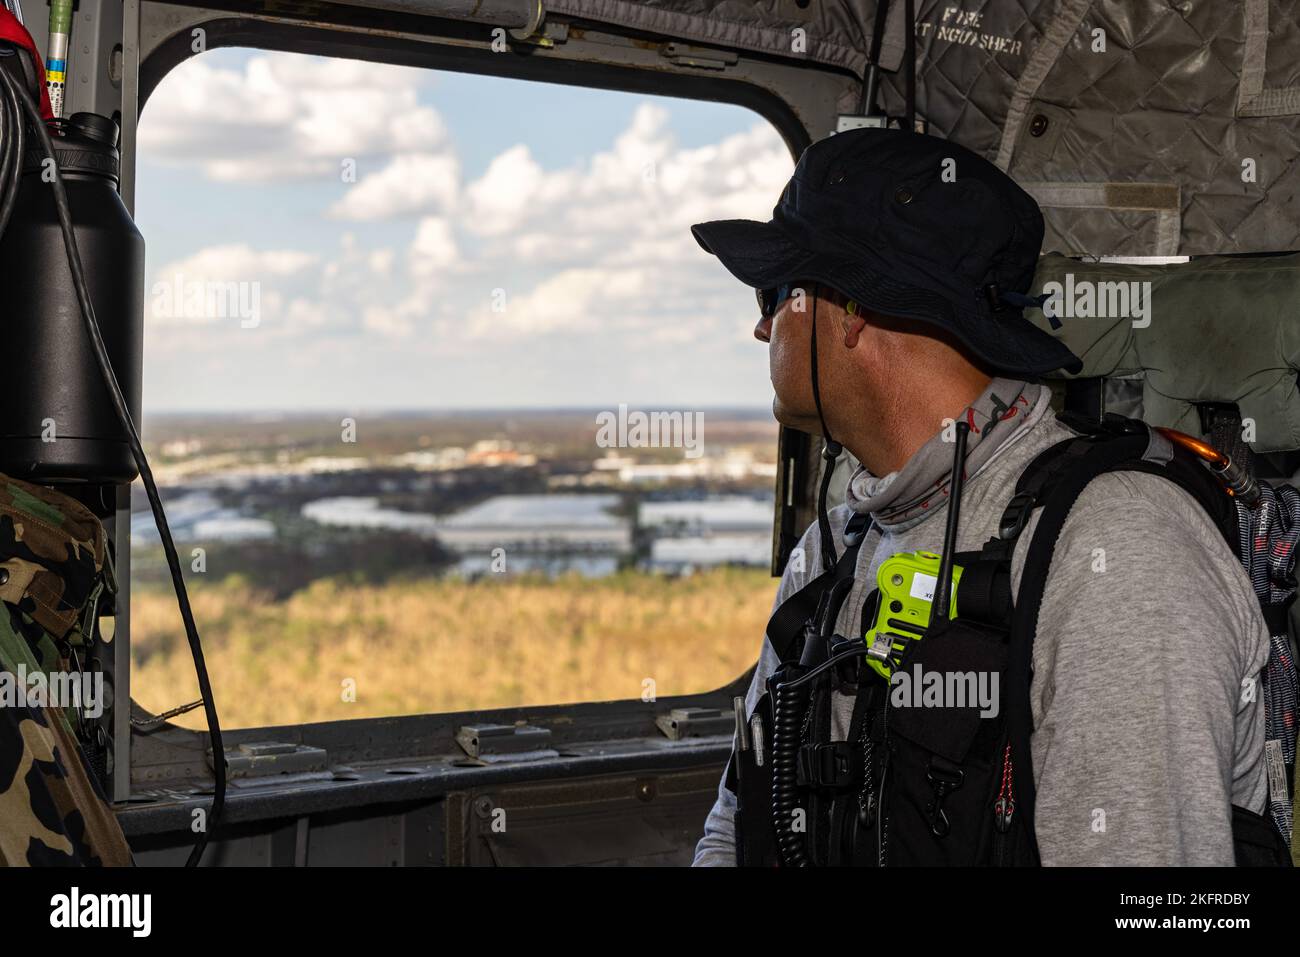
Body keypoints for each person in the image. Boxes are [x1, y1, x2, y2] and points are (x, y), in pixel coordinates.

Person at [689, 128, 1268, 866]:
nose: (761, 324)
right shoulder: (830, 556)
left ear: (849, 307)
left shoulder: (1116, 549)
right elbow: (730, 827)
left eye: (777, 291)